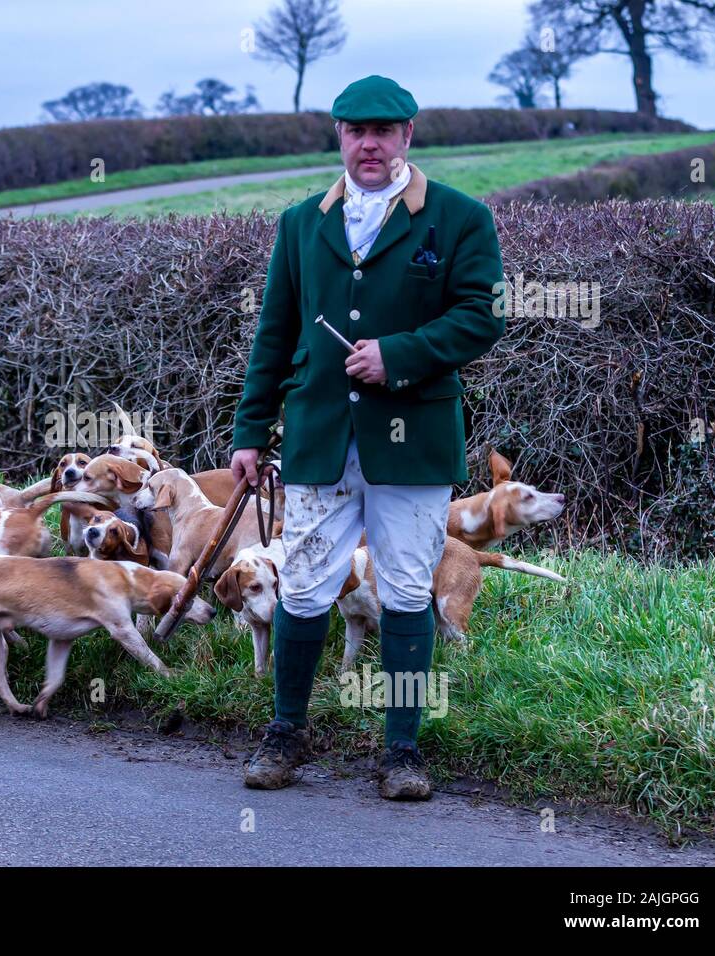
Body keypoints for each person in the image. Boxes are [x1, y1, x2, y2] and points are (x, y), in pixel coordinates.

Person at [229, 76, 505, 800]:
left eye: (384, 131)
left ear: (408, 136)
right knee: (308, 587)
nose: (369, 144)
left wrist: (399, 354)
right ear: (340, 137)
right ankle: (286, 735)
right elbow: (274, 333)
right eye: (356, 131)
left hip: (412, 443)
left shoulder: (459, 218)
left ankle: (403, 752)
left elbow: (482, 317)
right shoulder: (300, 223)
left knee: (409, 592)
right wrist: (250, 429)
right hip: (321, 438)